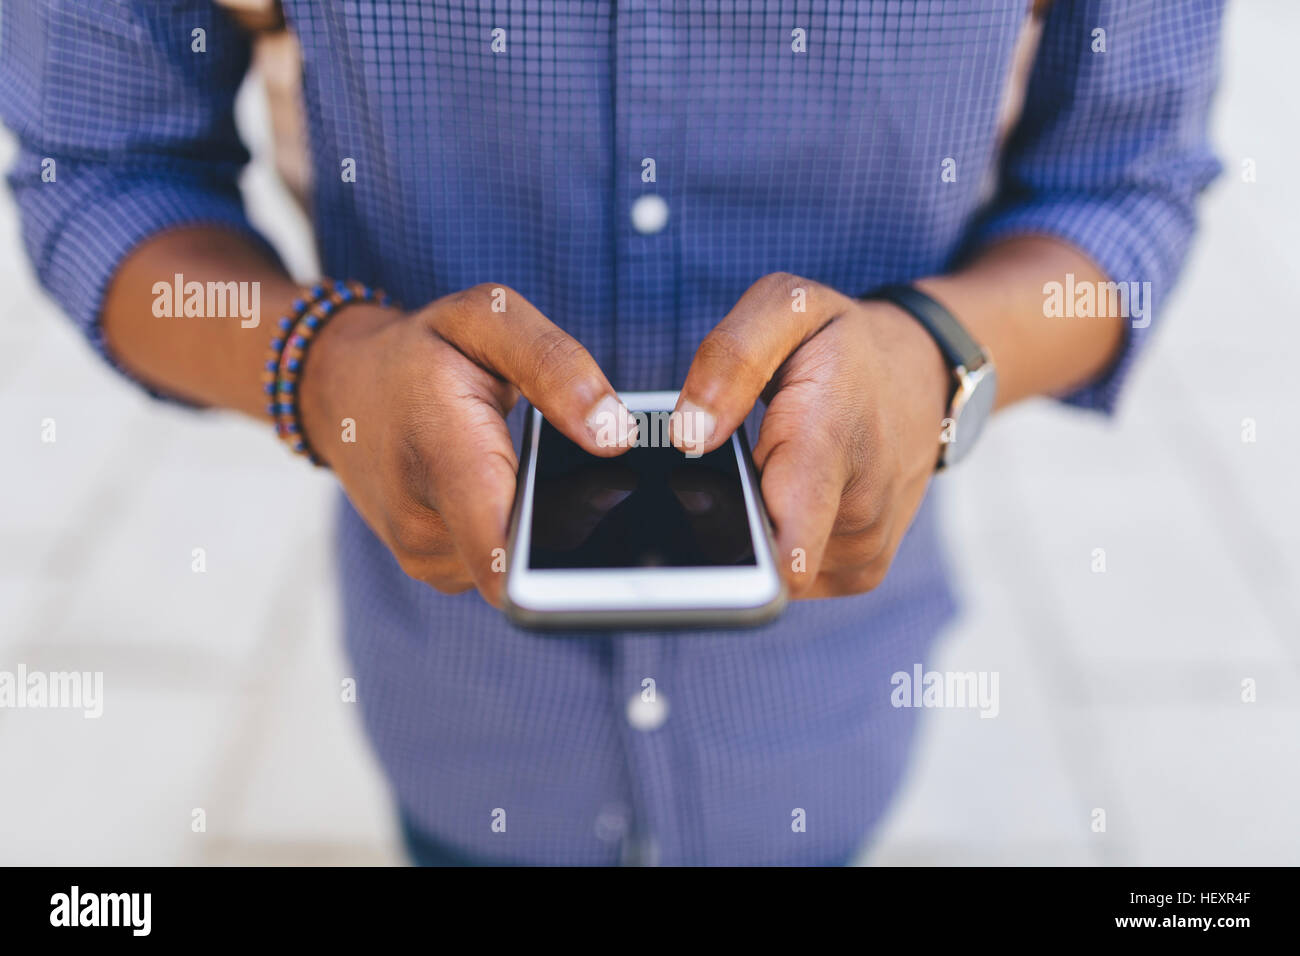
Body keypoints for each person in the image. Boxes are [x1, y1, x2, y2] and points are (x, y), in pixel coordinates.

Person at [0, 1, 1223, 865]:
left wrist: (937, 351)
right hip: (460, 713)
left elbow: (1126, 184)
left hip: (823, 716)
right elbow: (100, 171)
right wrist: (325, 368)